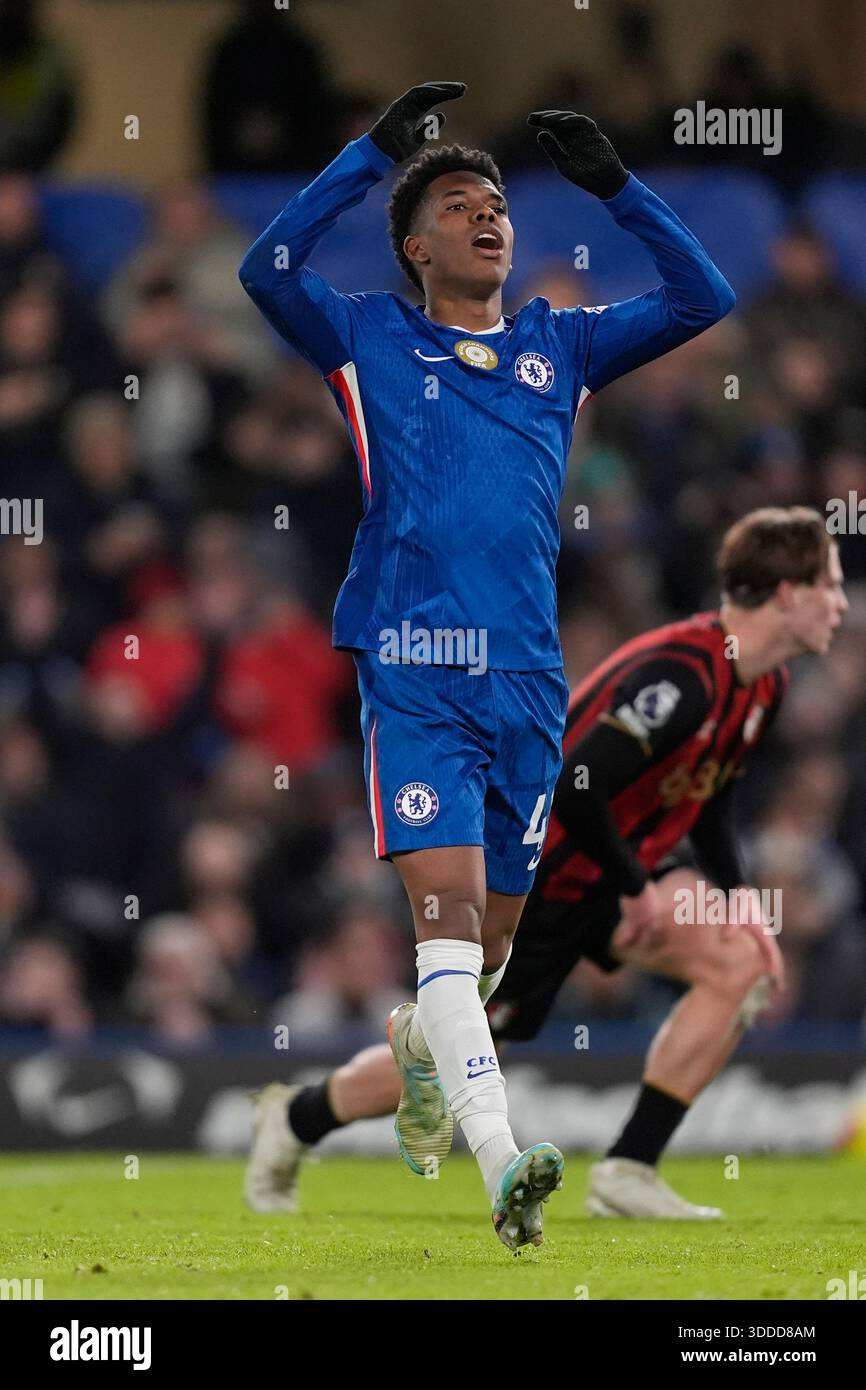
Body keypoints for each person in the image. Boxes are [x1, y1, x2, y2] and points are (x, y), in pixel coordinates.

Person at [239, 82, 735, 1248]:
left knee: (486, 961)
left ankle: (411, 1057)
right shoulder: (366, 333)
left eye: (498, 202)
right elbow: (267, 268)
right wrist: (369, 152)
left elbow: (699, 295)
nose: (488, 215)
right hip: (413, 665)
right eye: (458, 203)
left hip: (525, 681)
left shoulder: (557, 348)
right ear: (413, 245)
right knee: (450, 935)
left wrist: (613, 184)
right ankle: (506, 1167)